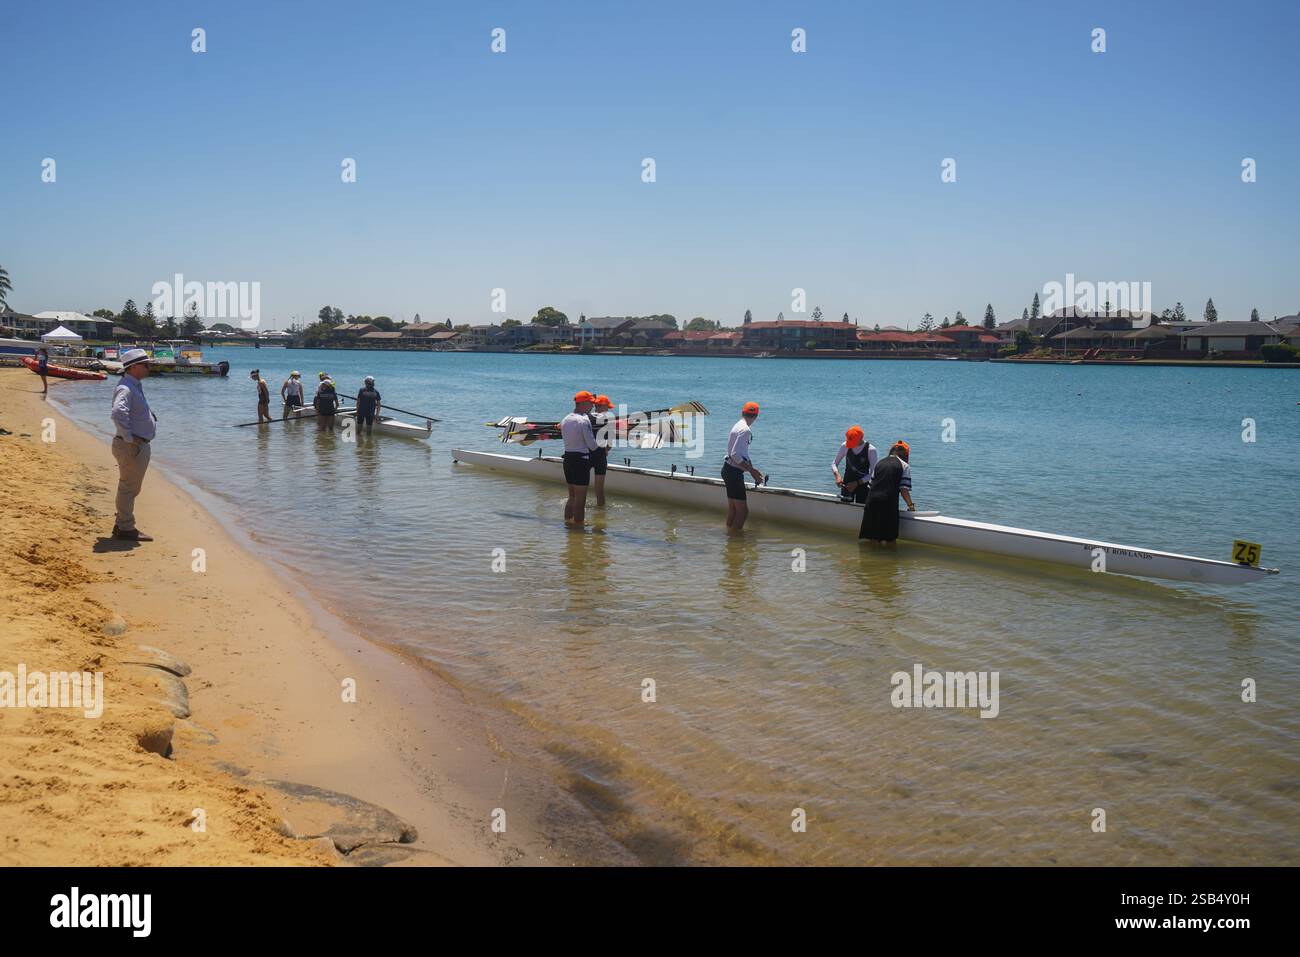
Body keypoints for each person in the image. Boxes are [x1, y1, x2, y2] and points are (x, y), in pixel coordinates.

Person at [109, 349, 156, 542]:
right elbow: (118, 413)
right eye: (146, 365)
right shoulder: (126, 388)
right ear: (134, 367)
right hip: (131, 446)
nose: (149, 368)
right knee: (129, 488)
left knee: (130, 487)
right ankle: (126, 528)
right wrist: (129, 438)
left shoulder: (132, 385)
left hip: (133, 445)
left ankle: (122, 523)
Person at [858, 440, 915, 546]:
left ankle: (868, 561)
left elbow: (871, 486)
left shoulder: (880, 463)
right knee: (890, 541)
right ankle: (889, 561)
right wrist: (910, 506)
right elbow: (904, 490)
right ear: (905, 454)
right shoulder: (904, 466)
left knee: (873, 540)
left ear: (891, 451)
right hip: (888, 503)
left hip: (871, 502)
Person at [723, 401, 765, 531]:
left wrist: (751, 467)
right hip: (734, 473)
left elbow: (741, 453)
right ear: (756, 416)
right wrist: (751, 471)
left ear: (742, 413)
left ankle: (728, 536)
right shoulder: (746, 430)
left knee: (733, 510)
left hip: (727, 469)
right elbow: (735, 454)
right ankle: (734, 544)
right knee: (743, 512)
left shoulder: (738, 425)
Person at [561, 391, 599, 527]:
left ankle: (567, 524)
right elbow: (592, 445)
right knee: (580, 500)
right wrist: (601, 446)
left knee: (571, 497)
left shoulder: (565, 419)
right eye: (591, 403)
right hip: (580, 461)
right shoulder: (584, 420)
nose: (592, 407)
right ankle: (578, 529)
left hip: (568, 459)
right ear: (583, 403)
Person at [832, 426, 878, 504]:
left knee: (861, 509)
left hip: (864, 484)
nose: (850, 444)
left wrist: (857, 483)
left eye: (853, 442)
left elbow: (874, 474)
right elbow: (834, 463)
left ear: (861, 438)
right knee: (845, 509)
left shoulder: (871, 450)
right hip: (847, 484)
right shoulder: (844, 446)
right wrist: (837, 476)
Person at [588, 394, 614, 506]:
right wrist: (606, 451)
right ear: (602, 406)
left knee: (581, 487)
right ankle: (600, 514)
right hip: (600, 455)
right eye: (607, 407)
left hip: (585, 455)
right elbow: (610, 443)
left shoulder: (586, 417)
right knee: (599, 490)